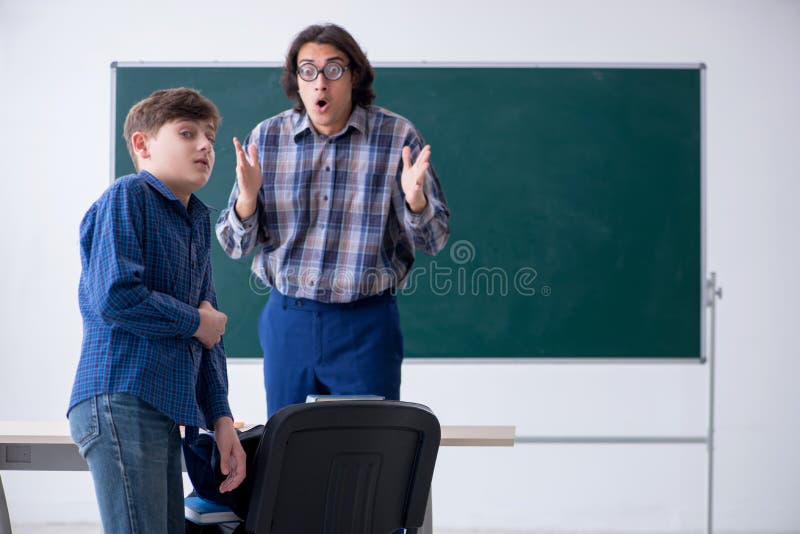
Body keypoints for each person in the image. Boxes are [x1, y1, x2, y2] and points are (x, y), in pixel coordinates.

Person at [216, 23, 450, 417]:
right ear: (297, 81)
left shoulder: (397, 136)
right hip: (289, 321)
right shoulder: (267, 138)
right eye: (308, 71)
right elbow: (232, 243)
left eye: (333, 70)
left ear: (354, 75)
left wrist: (415, 200)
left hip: (366, 324)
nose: (320, 83)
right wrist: (249, 197)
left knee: (368, 454)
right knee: (288, 453)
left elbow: (435, 239)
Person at [68, 87, 246, 534]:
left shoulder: (194, 222)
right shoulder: (128, 196)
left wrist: (222, 419)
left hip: (164, 410)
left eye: (209, 137)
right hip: (122, 396)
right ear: (142, 145)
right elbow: (117, 296)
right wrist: (196, 321)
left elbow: (210, 335)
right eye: (188, 134)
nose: (206, 145)